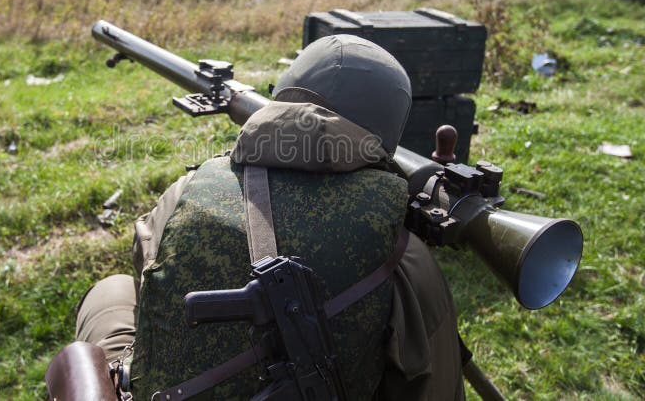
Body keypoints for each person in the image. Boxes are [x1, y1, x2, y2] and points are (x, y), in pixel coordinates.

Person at [56, 34, 465, 400]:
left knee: (111, 293)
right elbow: (434, 387)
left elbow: (150, 285)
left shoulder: (188, 193)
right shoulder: (400, 248)